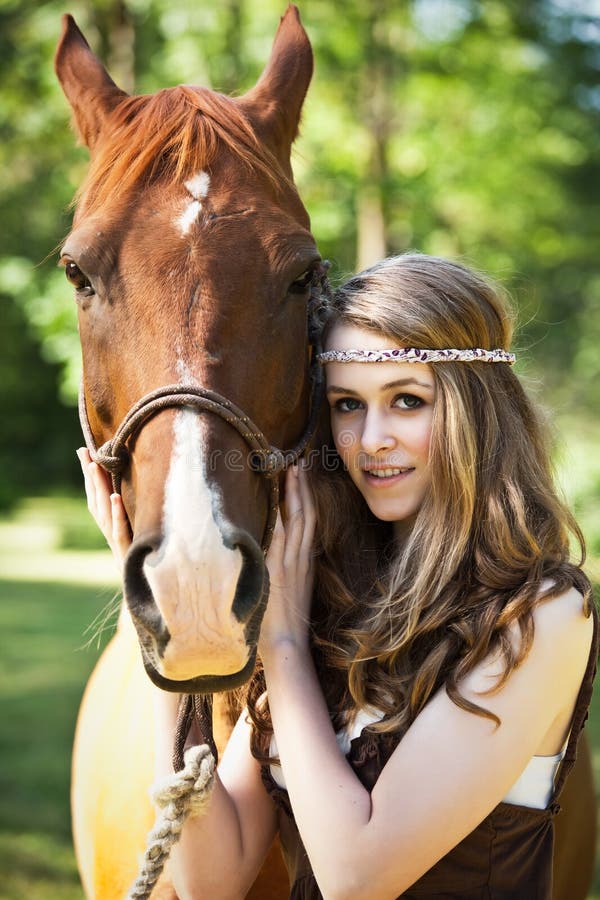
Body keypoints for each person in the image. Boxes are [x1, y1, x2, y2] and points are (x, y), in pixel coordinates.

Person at [79, 253, 596, 899]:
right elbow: (209, 880)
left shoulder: (539, 613)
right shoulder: (333, 606)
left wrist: (286, 648)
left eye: (408, 401)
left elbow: (359, 877)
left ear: (476, 411)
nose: (370, 438)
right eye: (347, 405)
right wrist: (165, 628)